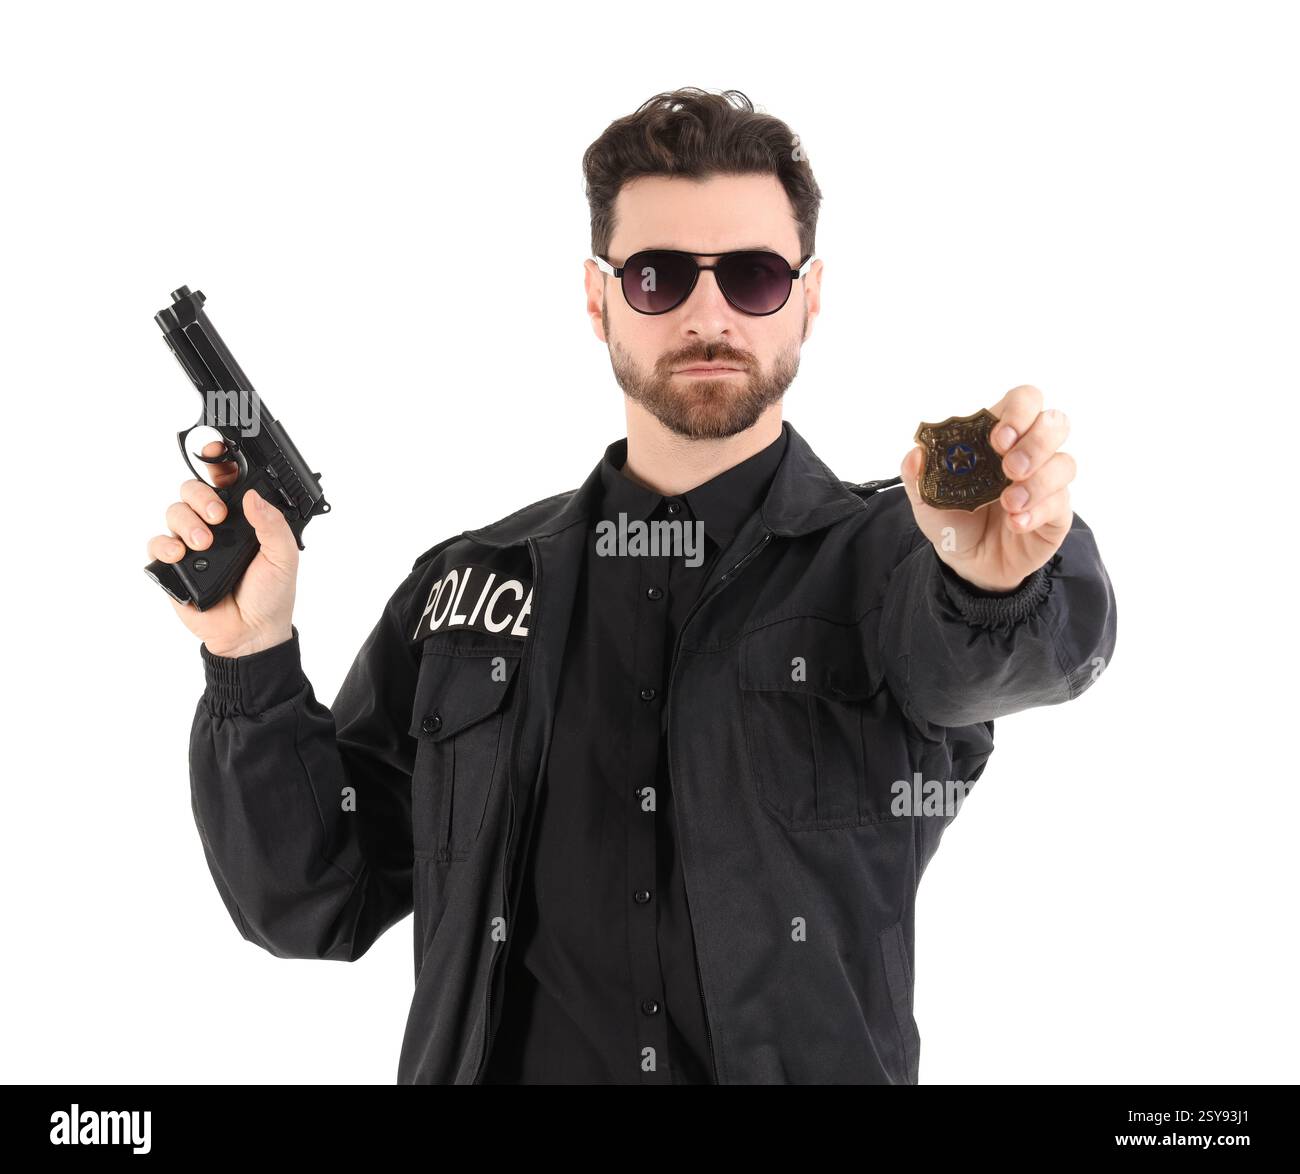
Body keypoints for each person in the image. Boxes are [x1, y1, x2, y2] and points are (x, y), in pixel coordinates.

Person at [145, 88, 1117, 1084]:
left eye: (751, 276)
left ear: (809, 297)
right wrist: (247, 654)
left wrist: (1001, 578)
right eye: (656, 277)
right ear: (598, 296)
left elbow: (996, 656)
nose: (706, 314)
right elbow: (312, 895)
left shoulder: (890, 563)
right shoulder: (467, 590)